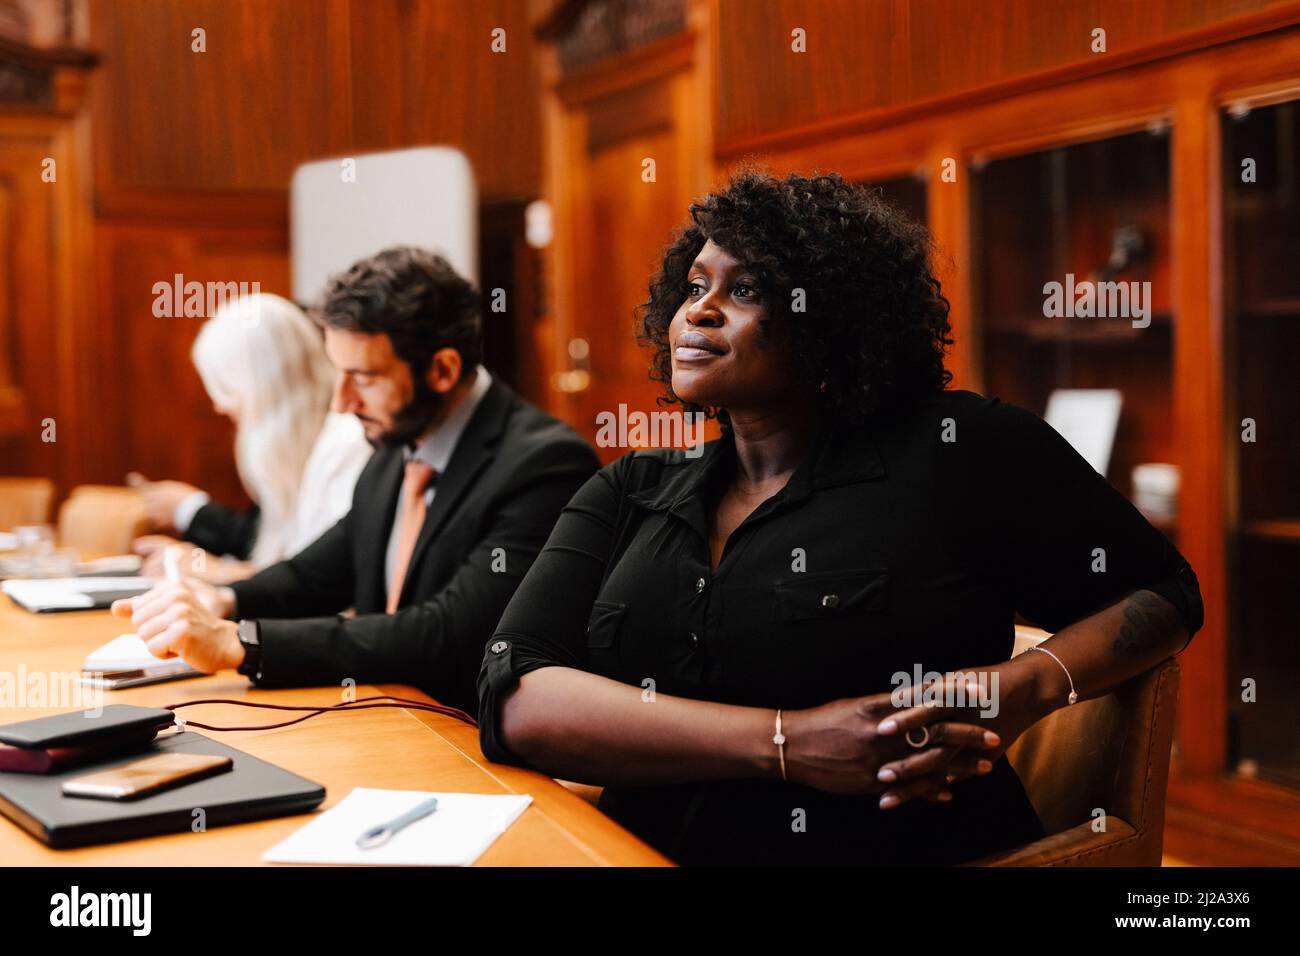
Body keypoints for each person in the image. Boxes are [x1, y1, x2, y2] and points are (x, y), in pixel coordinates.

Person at [475, 170, 1205, 865]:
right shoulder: (631, 487)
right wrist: (787, 742)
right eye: (694, 287)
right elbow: (515, 699)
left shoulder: (957, 451)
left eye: (747, 289)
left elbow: (1163, 592)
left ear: (827, 322)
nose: (697, 310)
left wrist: (1024, 687)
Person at [113, 247, 599, 714]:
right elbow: (320, 571)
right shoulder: (399, 440)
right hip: (383, 714)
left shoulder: (545, 465)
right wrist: (225, 599)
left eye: (363, 378)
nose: (341, 402)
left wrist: (241, 643)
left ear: (443, 370)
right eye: (338, 374)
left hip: (470, 745)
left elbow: (447, 632)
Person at [129, 293, 371, 584]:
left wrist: (221, 573)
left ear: (260, 386)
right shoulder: (305, 448)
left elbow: (324, 584)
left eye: (226, 387)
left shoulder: (344, 445)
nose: (221, 406)